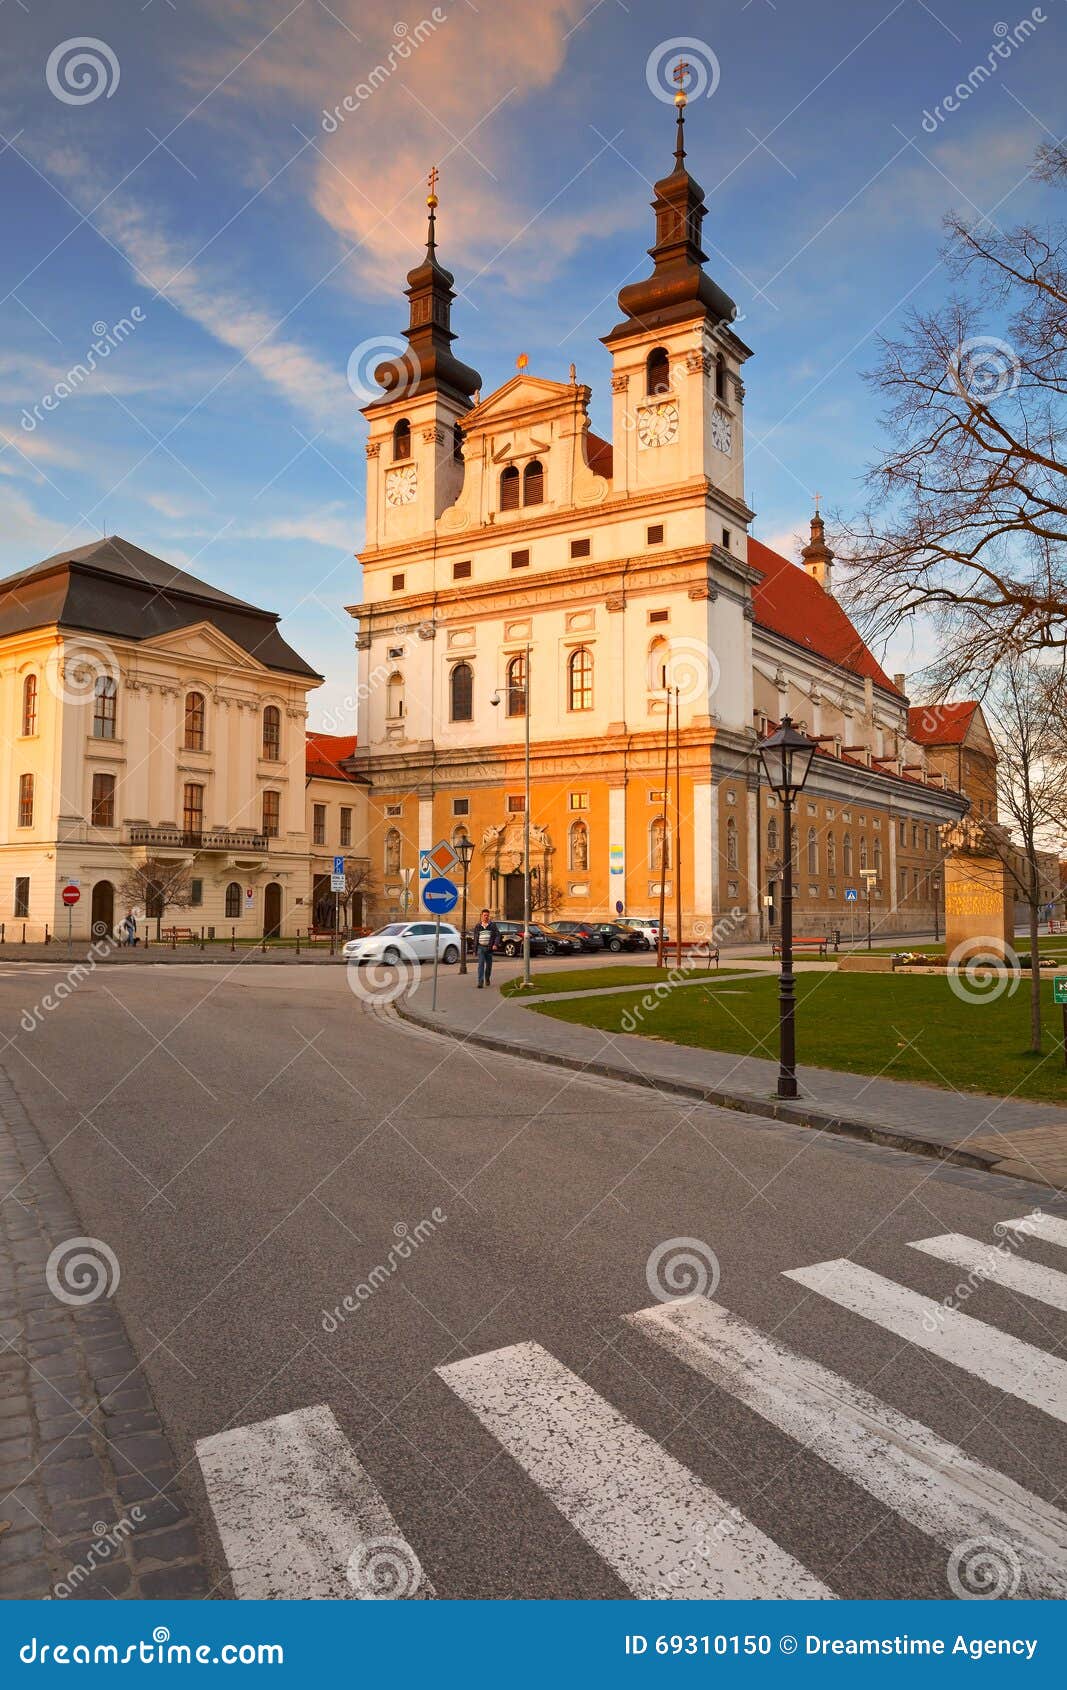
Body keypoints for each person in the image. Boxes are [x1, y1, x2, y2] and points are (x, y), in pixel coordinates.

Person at [472, 908, 500, 988]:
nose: (486, 917)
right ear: (481, 916)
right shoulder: (478, 926)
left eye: (487, 915)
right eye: (484, 915)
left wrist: (495, 944)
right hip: (481, 947)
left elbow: (498, 935)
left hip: (489, 948)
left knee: (489, 965)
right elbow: (475, 938)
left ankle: (487, 978)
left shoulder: (492, 925)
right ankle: (480, 982)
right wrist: (474, 950)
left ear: (489, 916)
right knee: (480, 964)